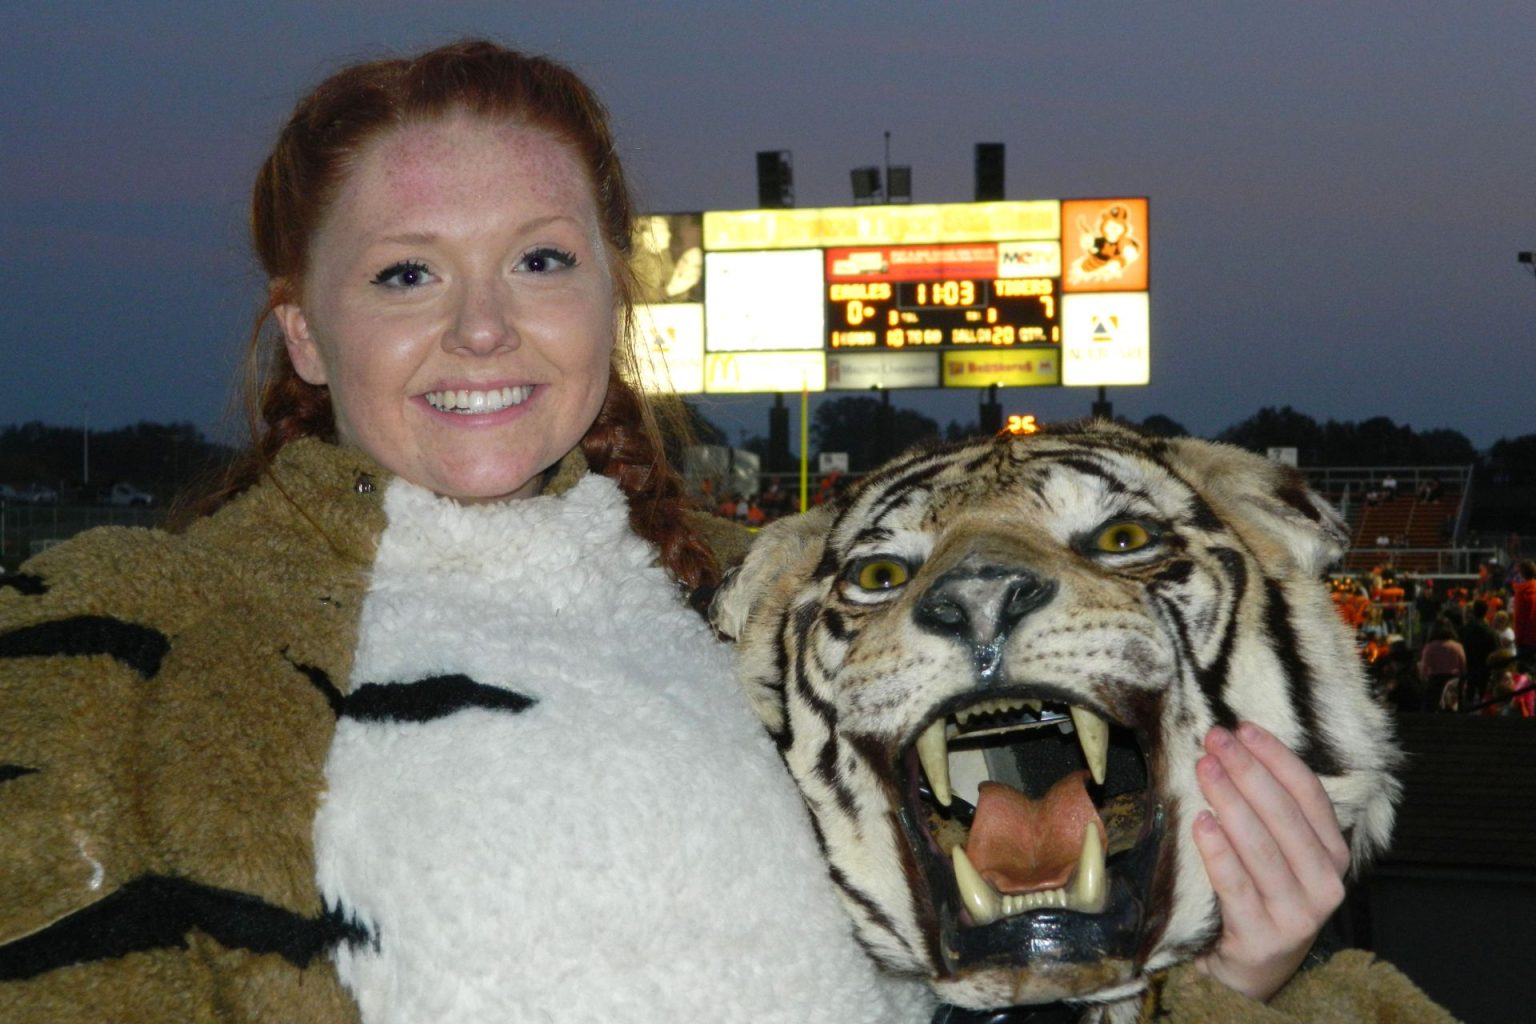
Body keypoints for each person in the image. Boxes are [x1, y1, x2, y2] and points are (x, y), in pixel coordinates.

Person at [0, 39, 1444, 1024]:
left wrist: (1210, 966)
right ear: (306, 334)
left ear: (610, 299)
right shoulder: (138, 645)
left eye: (542, 260)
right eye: (405, 273)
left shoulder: (730, 639)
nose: (485, 326)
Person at [1417, 616, 1467, 713]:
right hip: (1453, 683)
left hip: (1435, 683)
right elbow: (1463, 668)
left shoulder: (1429, 647)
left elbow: (1423, 671)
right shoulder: (1457, 647)